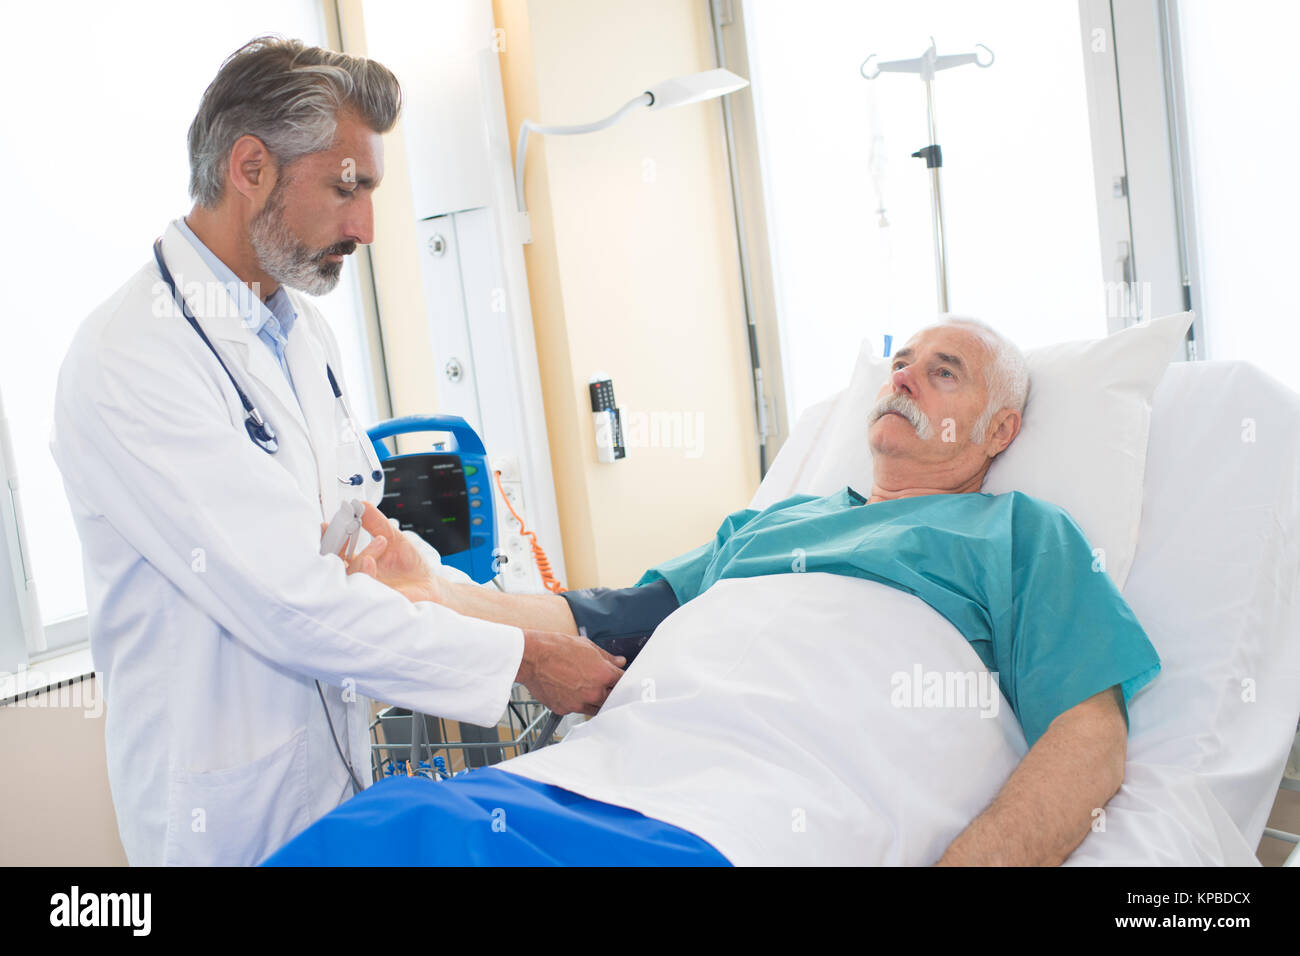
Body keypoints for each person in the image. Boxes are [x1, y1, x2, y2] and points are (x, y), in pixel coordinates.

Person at [50, 37, 620, 867]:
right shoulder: (131, 358)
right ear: (250, 168)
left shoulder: (303, 333)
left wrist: (473, 597)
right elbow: (291, 599)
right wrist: (527, 658)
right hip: (228, 818)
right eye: (346, 187)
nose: (366, 226)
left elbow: (358, 541)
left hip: (340, 786)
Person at [316, 318, 1161, 866]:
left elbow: (1090, 737)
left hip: (756, 818)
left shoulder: (1021, 535)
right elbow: (604, 620)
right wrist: (435, 587)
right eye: (899, 364)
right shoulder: (778, 522)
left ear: (1000, 430)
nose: (903, 378)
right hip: (597, 776)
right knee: (377, 836)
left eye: (942, 374)